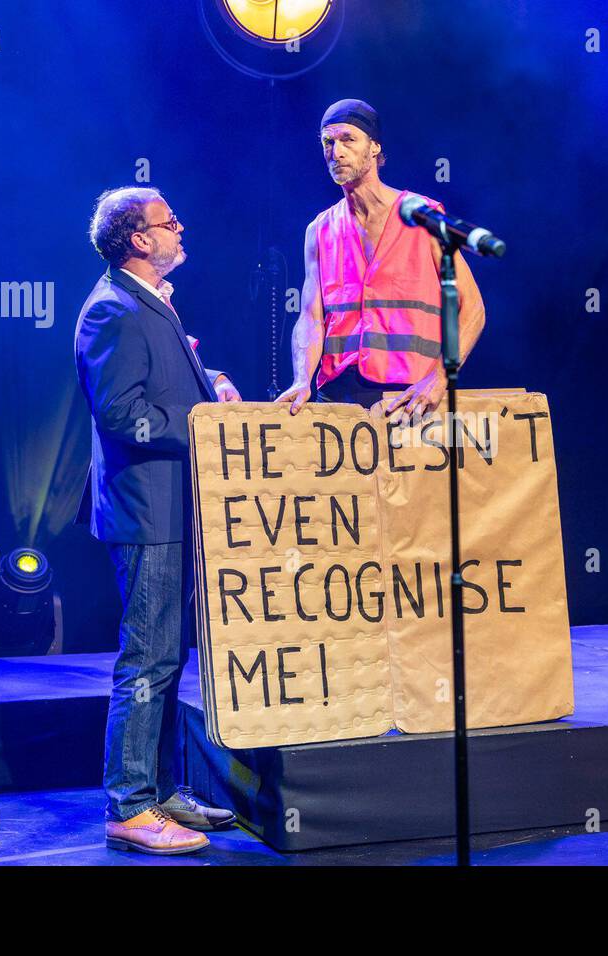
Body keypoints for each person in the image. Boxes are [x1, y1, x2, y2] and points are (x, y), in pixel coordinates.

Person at [74, 186, 239, 855]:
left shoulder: (149, 302)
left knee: (167, 658)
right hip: (146, 513)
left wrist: (211, 383)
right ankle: (130, 806)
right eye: (169, 222)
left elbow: (161, 390)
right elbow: (123, 414)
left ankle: (163, 789)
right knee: (146, 659)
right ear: (139, 239)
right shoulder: (112, 309)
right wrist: (206, 421)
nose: (179, 228)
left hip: (173, 509)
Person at [276, 99, 485, 421]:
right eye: (328, 142)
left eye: (348, 139)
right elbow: (310, 316)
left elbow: (472, 308)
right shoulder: (320, 230)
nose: (337, 152)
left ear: (374, 147)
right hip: (338, 395)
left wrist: (440, 379)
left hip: (410, 391)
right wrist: (302, 378)